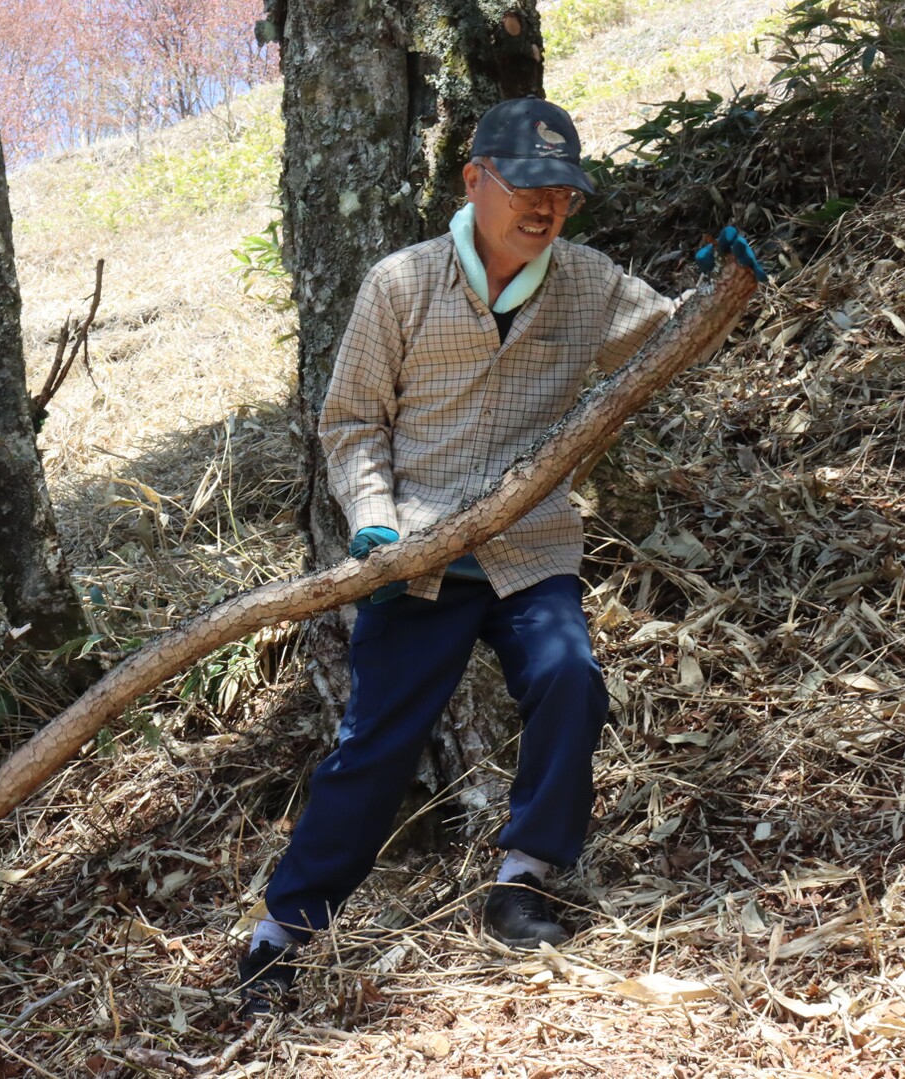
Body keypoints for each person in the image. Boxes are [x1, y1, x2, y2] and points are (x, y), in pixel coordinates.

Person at [236, 98, 762, 1013]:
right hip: (418, 555)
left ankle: (523, 879)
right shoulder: (402, 284)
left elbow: (670, 340)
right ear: (474, 178)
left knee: (570, 681)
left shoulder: (588, 282)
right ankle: (282, 932)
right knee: (378, 744)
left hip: (531, 546)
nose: (546, 207)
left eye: (564, 193)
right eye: (527, 186)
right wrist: (375, 520)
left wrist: (722, 294)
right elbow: (351, 422)